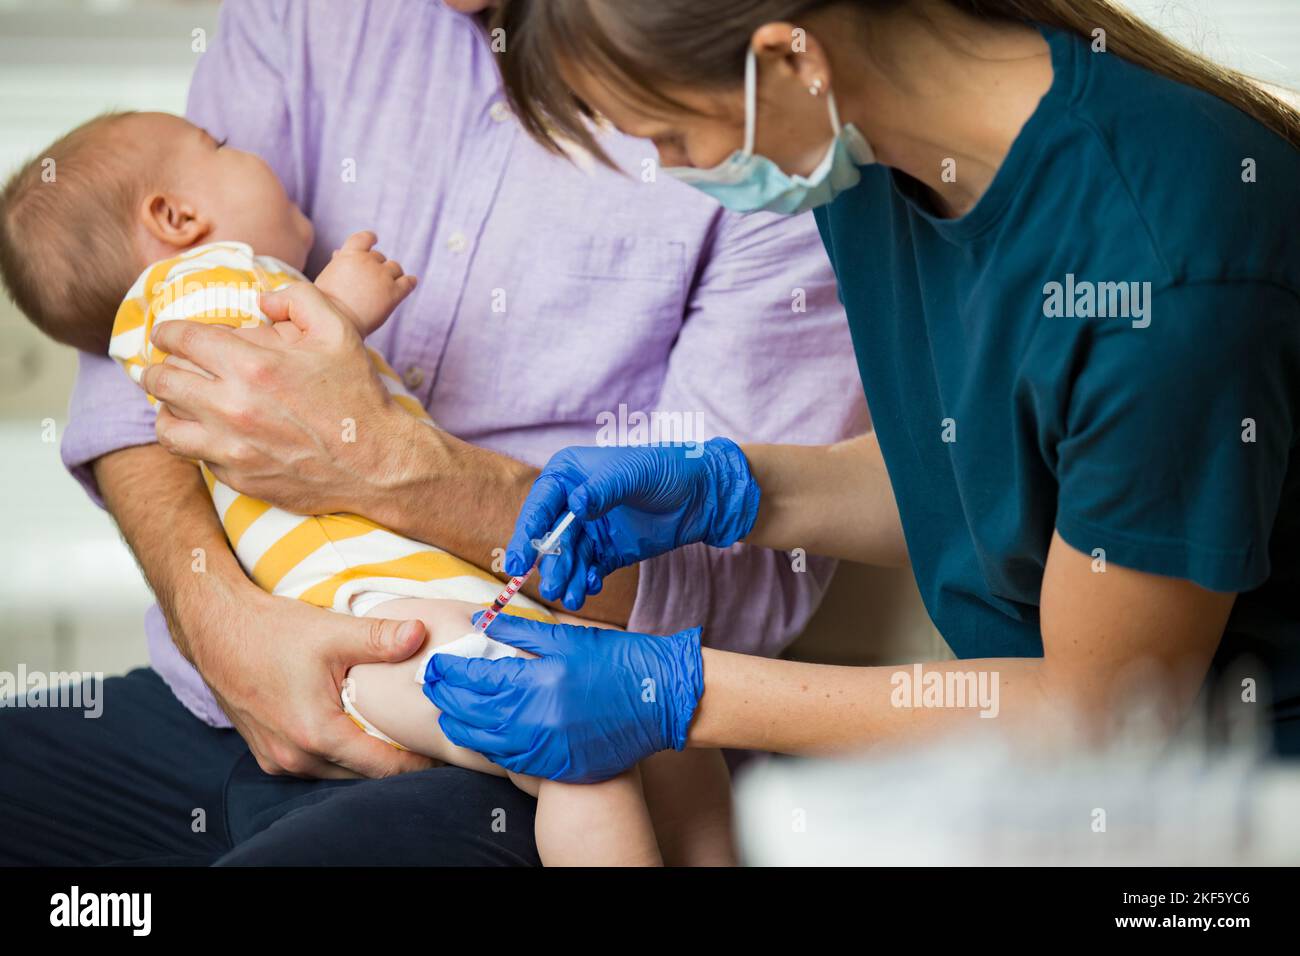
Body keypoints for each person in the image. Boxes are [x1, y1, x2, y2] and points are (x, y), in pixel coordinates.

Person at [0, 0, 863, 865]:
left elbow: (737, 583)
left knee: (603, 757)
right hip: (215, 686)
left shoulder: (741, 108)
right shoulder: (297, 22)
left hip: (489, 691)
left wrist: (392, 466)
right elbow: (132, 345)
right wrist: (220, 623)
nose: (239, 151)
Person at [421, 0, 1300, 783]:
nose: (670, 169)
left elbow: (1099, 714)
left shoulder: (1165, 274)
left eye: (670, 136)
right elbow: (998, 474)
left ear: (792, 62)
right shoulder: (864, 162)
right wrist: (733, 488)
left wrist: (675, 693)